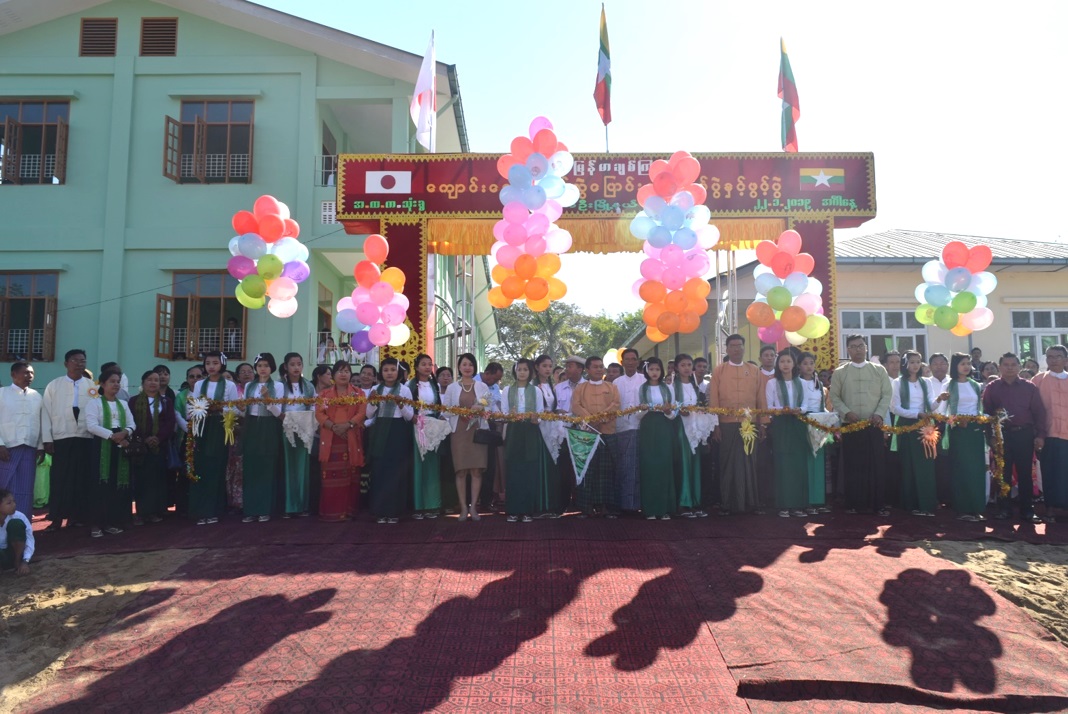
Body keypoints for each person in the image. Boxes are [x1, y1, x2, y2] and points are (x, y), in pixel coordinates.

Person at [829, 334, 893, 515]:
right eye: (853, 346)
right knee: (853, 465)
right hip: (851, 425)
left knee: (876, 465)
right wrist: (847, 412)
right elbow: (835, 396)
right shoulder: (840, 372)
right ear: (847, 350)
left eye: (861, 345)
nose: (858, 349)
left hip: (873, 424)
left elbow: (886, 394)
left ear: (866, 347)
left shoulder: (878, 370)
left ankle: (877, 504)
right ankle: (853, 503)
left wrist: (879, 414)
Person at [983, 352, 1046, 523]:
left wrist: (1040, 435)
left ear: (1019, 367)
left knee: (1025, 473)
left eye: (1013, 364)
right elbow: (986, 414)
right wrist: (991, 437)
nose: (1010, 368)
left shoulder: (1029, 387)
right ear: (1000, 367)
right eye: (1006, 365)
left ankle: (1027, 510)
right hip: (1001, 436)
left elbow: (1039, 413)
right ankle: (1004, 509)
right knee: (1003, 473)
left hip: (1024, 435)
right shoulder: (992, 387)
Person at [709, 335, 764, 515]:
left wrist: (763, 423)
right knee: (727, 463)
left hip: (750, 423)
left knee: (750, 461)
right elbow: (714, 398)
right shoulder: (719, 370)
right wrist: (715, 424)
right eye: (732, 346)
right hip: (727, 424)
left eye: (739, 345)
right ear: (727, 348)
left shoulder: (754, 370)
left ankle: (751, 502)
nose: (736, 349)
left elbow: (760, 398)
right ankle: (728, 503)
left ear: (744, 347)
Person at [41, 349, 95, 532]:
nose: (79, 363)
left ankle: (77, 517)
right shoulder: (54, 385)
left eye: (83, 360)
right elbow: (46, 413)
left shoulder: (92, 386)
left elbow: (96, 412)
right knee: (60, 479)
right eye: (75, 360)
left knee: (81, 478)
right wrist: (47, 439)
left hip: (85, 438)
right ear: (66, 364)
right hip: (61, 438)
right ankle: (56, 517)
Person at [188, 351, 241, 525]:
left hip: (219, 429)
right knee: (201, 467)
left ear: (222, 365)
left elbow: (234, 409)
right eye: (208, 363)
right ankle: (201, 510)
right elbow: (193, 407)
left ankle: (214, 510)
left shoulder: (229, 386)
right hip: (202, 428)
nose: (211, 366)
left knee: (216, 468)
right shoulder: (199, 385)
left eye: (215, 363)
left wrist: (217, 408)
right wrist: (202, 408)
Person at [935, 353, 987, 521]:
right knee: (961, 469)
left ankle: (977, 507)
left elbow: (979, 407)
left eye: (968, 363)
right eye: (963, 363)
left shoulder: (975, 385)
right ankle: (962, 508)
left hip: (975, 430)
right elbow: (942, 413)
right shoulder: (949, 385)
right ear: (955, 366)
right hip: (958, 431)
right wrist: (956, 421)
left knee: (977, 469)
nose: (966, 367)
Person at [85, 368, 136, 537]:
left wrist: (126, 432)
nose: (116, 385)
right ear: (103, 384)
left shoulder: (123, 404)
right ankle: (96, 524)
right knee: (101, 484)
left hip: (121, 445)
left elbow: (131, 424)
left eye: (117, 382)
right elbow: (91, 426)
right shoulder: (95, 403)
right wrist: (113, 436)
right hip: (102, 446)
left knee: (116, 483)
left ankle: (113, 521)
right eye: (112, 381)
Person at [365, 358, 414, 524]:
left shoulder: (405, 390)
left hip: (398, 431)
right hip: (380, 431)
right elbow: (369, 414)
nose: (389, 373)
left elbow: (409, 417)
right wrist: (372, 402)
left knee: (395, 471)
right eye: (386, 370)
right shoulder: (375, 389)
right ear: (381, 372)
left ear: (398, 372)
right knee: (380, 470)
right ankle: (380, 511)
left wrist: (401, 405)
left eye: (393, 369)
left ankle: (394, 511)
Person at [571, 356, 621, 518]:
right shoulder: (581, 388)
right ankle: (586, 507)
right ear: (587, 370)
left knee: (607, 471)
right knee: (587, 471)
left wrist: (602, 419)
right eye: (595, 367)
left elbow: (616, 404)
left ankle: (606, 507)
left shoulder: (611, 387)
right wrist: (592, 421)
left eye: (601, 367)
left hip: (608, 432)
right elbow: (576, 405)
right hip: (586, 433)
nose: (599, 369)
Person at [315, 360, 365, 521]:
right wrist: (333, 427)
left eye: (347, 371)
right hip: (331, 438)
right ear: (333, 375)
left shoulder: (358, 393)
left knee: (351, 475)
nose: (344, 374)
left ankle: (349, 511)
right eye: (340, 371)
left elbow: (361, 413)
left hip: (351, 437)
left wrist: (347, 425)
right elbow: (319, 414)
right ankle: (331, 512)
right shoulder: (324, 394)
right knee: (330, 477)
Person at [890, 350, 938, 517]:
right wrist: (915, 414)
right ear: (905, 364)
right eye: (912, 362)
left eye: (918, 362)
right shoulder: (898, 382)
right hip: (907, 426)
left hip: (924, 426)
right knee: (909, 465)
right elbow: (895, 408)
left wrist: (940, 400)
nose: (915, 365)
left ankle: (926, 504)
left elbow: (930, 406)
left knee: (926, 464)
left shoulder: (926, 382)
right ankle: (910, 504)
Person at [442, 354, 490, 521]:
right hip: (459, 432)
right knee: (461, 471)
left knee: (476, 470)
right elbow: (444, 411)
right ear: (459, 367)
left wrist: (480, 408)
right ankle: (463, 508)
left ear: (474, 367)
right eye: (464, 364)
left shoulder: (483, 386)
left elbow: (488, 407)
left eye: (470, 364)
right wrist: (456, 410)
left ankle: (474, 507)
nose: (467, 367)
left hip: (477, 430)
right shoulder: (452, 388)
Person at [765, 349, 809, 518]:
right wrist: (781, 410)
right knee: (783, 463)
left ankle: (798, 505)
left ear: (794, 364)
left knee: (798, 464)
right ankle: (784, 505)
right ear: (778, 364)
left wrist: (800, 409)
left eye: (788, 361)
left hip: (798, 423)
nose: (785, 364)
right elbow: (769, 407)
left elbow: (805, 405)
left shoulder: (802, 383)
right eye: (782, 361)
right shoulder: (772, 383)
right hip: (781, 424)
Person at [128, 370, 176, 525]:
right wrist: (144, 438)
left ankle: (156, 511)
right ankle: (142, 512)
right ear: (143, 383)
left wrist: (158, 438)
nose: (153, 382)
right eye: (149, 379)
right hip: (140, 446)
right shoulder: (134, 401)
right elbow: (130, 421)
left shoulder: (166, 401)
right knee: (142, 480)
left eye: (156, 380)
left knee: (157, 479)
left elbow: (170, 423)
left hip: (159, 446)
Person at [242, 353, 284, 523]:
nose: (263, 369)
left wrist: (268, 400)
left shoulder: (278, 386)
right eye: (259, 366)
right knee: (251, 467)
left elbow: (278, 412)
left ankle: (265, 509)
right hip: (252, 426)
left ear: (271, 367)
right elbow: (246, 409)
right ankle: (251, 509)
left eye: (266, 365)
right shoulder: (249, 387)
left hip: (269, 426)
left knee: (267, 467)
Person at [501, 359, 545, 522]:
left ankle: (527, 510)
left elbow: (540, 413)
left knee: (529, 470)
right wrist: (509, 415)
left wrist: (536, 419)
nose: (522, 372)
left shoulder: (536, 391)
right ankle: (513, 510)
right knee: (513, 470)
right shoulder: (507, 390)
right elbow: (504, 413)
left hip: (530, 431)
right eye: (519, 369)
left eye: (525, 369)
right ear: (514, 371)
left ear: (530, 372)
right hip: (514, 431)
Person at [0, 362, 45, 518]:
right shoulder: (2, 393)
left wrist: (40, 446)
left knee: (26, 489)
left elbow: (41, 422)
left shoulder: (37, 396)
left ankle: (22, 524)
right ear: (13, 374)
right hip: (7, 448)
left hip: (29, 448)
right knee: (4, 485)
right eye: (25, 372)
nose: (29, 376)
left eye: (31, 373)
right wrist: (0, 444)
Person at [1032, 345, 1068, 523]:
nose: (1053, 360)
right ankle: (1050, 509)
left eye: (1058, 356)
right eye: (1050, 357)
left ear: (1066, 360)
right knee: (1049, 472)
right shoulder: (1038, 380)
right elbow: (1033, 408)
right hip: (1048, 434)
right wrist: (1038, 434)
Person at [637, 358, 676, 520]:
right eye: (652, 369)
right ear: (647, 371)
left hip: (664, 428)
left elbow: (673, 415)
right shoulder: (642, 388)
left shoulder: (667, 388)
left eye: (657, 369)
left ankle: (664, 508)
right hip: (647, 428)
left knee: (664, 466)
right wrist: (644, 410)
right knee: (649, 466)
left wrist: (667, 412)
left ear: (661, 371)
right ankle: (650, 509)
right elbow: (637, 415)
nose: (654, 372)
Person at [279, 353, 315, 518]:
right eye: (292, 364)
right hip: (285, 428)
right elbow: (276, 408)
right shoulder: (279, 386)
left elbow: (314, 407)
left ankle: (302, 505)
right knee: (287, 466)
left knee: (303, 467)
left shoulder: (308, 386)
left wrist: (310, 425)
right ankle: (288, 505)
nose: (296, 367)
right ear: (286, 366)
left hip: (304, 430)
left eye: (299, 364)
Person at [408, 354, 443, 519]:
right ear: (416, 367)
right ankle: (418, 505)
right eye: (423, 364)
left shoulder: (434, 384)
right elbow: (407, 406)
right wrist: (413, 417)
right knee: (418, 465)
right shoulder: (411, 385)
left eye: (430, 364)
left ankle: (432, 504)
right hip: (417, 426)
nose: (427, 367)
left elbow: (439, 406)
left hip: (433, 426)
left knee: (432, 465)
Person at [798, 352, 832, 514]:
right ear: (799, 366)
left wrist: (830, 417)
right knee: (805, 463)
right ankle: (806, 501)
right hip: (804, 424)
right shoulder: (796, 383)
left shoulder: (819, 384)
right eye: (805, 363)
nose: (809, 366)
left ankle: (818, 500)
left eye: (811, 363)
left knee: (818, 463)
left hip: (818, 424)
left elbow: (821, 406)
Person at [672, 354, 705, 518]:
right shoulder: (672, 386)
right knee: (684, 464)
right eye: (682, 365)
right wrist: (679, 410)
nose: (686, 368)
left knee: (695, 464)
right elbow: (670, 406)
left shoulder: (696, 386)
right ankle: (684, 503)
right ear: (677, 368)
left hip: (695, 428)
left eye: (689, 364)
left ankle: (696, 501)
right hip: (680, 428)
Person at [613, 349, 645, 514]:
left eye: (634, 359)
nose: (631, 362)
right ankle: (625, 505)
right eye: (628, 359)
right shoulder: (616, 383)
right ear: (622, 362)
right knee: (624, 467)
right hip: (622, 429)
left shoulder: (645, 380)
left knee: (640, 467)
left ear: (638, 362)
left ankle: (639, 504)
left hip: (642, 428)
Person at [554, 356, 586, 511]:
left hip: (583, 432)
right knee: (565, 469)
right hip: (564, 432)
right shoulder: (559, 388)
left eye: (570, 366)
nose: (566, 369)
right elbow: (554, 408)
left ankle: (581, 503)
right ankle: (563, 503)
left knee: (582, 468)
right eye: (566, 366)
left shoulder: (587, 386)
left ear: (580, 369)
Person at [532, 354, 561, 516]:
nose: (548, 369)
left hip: (551, 428)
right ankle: (540, 506)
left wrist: (557, 412)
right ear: (536, 367)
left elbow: (551, 406)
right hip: (538, 429)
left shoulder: (551, 386)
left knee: (552, 466)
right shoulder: (533, 386)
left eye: (550, 366)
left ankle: (551, 506)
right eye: (544, 366)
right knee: (541, 466)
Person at [225, 362, 255, 512]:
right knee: (236, 467)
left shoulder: (257, 390)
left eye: (249, 371)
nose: (246, 374)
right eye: (242, 372)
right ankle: (235, 501)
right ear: (237, 376)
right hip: (236, 433)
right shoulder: (233, 391)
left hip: (254, 432)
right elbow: (228, 411)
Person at [754, 345, 777, 510]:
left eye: (772, 355)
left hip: (778, 423)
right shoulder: (755, 375)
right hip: (759, 423)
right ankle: (761, 498)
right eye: (766, 355)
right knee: (761, 462)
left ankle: (775, 497)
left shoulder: (781, 375)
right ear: (760, 358)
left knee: (777, 461)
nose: (769, 358)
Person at [0, 488, 33, 576]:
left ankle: (17, 562)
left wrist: (25, 561)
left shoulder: (19, 516)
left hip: (13, 553)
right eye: (9, 503)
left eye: (14, 501)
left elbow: (30, 540)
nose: (14, 505)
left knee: (16, 524)